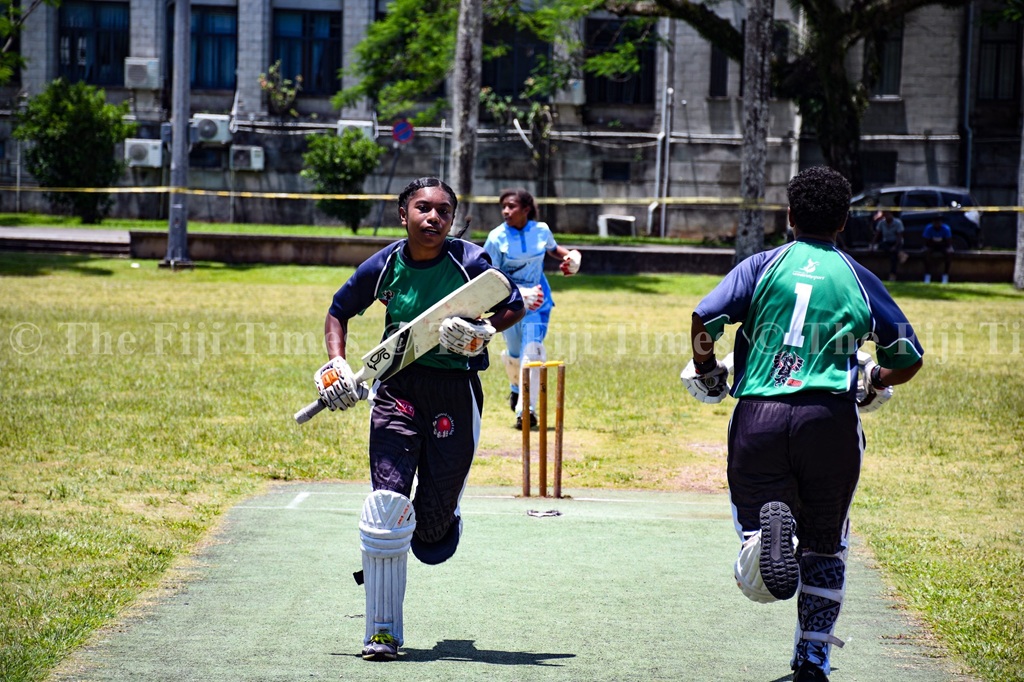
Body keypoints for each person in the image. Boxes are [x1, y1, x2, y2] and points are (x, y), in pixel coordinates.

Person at [680, 166, 924, 682]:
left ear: (788, 215)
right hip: (829, 421)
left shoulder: (762, 265)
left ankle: (764, 543)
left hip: (759, 418)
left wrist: (706, 368)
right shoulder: (859, 278)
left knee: (755, 539)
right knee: (828, 544)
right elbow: (909, 356)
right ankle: (812, 659)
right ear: (843, 221)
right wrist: (874, 377)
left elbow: (704, 318)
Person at [315, 177, 525, 661]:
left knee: (431, 542)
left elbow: (512, 302)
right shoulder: (386, 264)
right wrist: (337, 363)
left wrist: (482, 331)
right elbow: (338, 311)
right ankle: (382, 632)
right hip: (398, 390)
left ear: (452, 220)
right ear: (403, 214)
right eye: (423, 208)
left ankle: (440, 518)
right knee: (386, 510)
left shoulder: (470, 262)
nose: (433, 218)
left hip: (456, 393)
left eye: (444, 211)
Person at [483, 188, 581, 429]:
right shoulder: (496, 238)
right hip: (510, 301)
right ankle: (516, 388)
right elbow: (489, 274)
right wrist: (517, 292)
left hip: (538, 300)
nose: (506, 210)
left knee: (532, 350)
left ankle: (526, 410)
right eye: (503, 206)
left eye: (512, 206)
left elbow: (553, 249)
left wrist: (571, 256)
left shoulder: (541, 230)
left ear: (526, 209)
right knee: (515, 352)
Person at [870, 210, 906, 280]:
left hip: (896, 242)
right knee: (885, 247)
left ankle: (893, 274)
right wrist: (872, 245)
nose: (887, 216)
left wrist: (895, 247)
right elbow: (877, 235)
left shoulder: (898, 223)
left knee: (893, 256)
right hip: (886, 243)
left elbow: (899, 237)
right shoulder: (881, 223)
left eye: (888, 214)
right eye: (885, 215)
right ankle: (900, 254)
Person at [921, 216, 953, 283]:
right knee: (925, 253)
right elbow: (925, 241)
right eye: (935, 223)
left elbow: (949, 242)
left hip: (943, 245)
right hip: (931, 245)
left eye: (938, 223)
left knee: (949, 253)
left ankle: (945, 275)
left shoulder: (946, 229)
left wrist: (946, 246)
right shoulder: (929, 228)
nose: (937, 225)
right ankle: (927, 275)